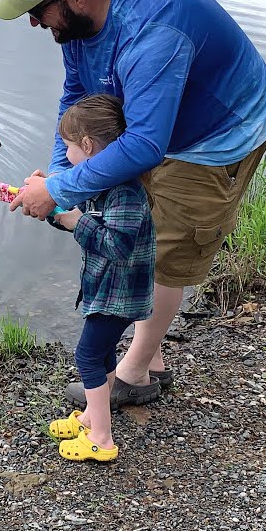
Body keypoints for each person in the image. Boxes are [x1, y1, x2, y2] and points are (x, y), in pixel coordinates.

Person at [0, 0, 266, 407]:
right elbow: (76, 98)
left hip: (215, 136)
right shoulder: (80, 28)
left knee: (165, 252)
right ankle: (155, 353)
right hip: (153, 126)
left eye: (37, 10)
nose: (34, 22)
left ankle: (136, 372)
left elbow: (145, 144)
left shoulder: (152, 34)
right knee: (140, 227)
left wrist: (61, 188)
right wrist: (61, 178)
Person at [43, 94, 154, 462]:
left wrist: (76, 221)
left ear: (87, 146)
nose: (67, 155)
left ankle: (102, 439)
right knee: (103, 353)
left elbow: (116, 245)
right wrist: (54, 207)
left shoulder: (125, 193)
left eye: (70, 147)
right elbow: (85, 222)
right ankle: (92, 417)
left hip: (117, 294)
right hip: (108, 290)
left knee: (87, 355)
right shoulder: (107, 183)